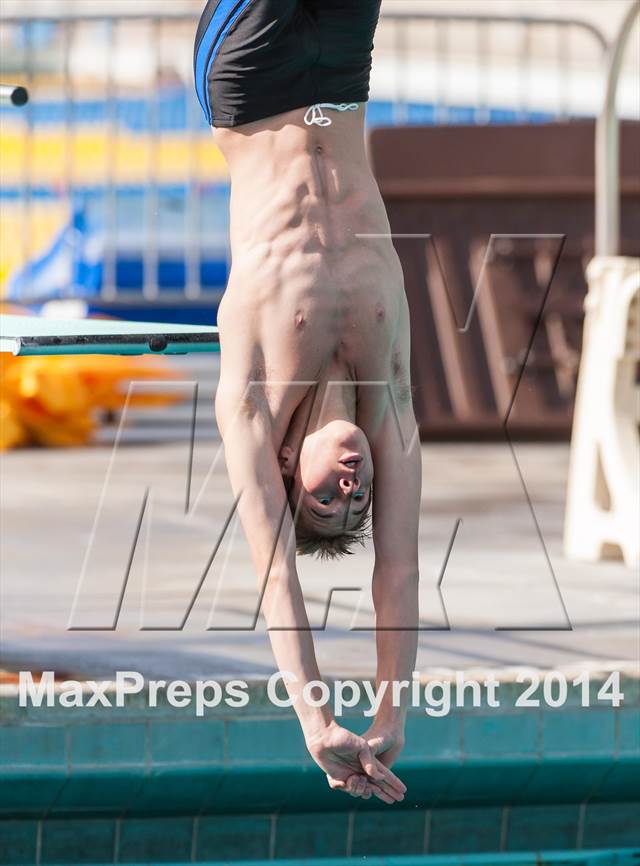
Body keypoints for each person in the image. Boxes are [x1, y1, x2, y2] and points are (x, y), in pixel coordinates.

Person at [194, 0, 421, 804]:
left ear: (287, 466)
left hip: (249, 83)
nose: (352, 486)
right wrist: (392, 712)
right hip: (339, 79)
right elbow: (399, 566)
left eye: (327, 499)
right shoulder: (388, 394)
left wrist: (317, 719)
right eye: (358, 501)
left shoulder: (253, 404)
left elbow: (275, 575)